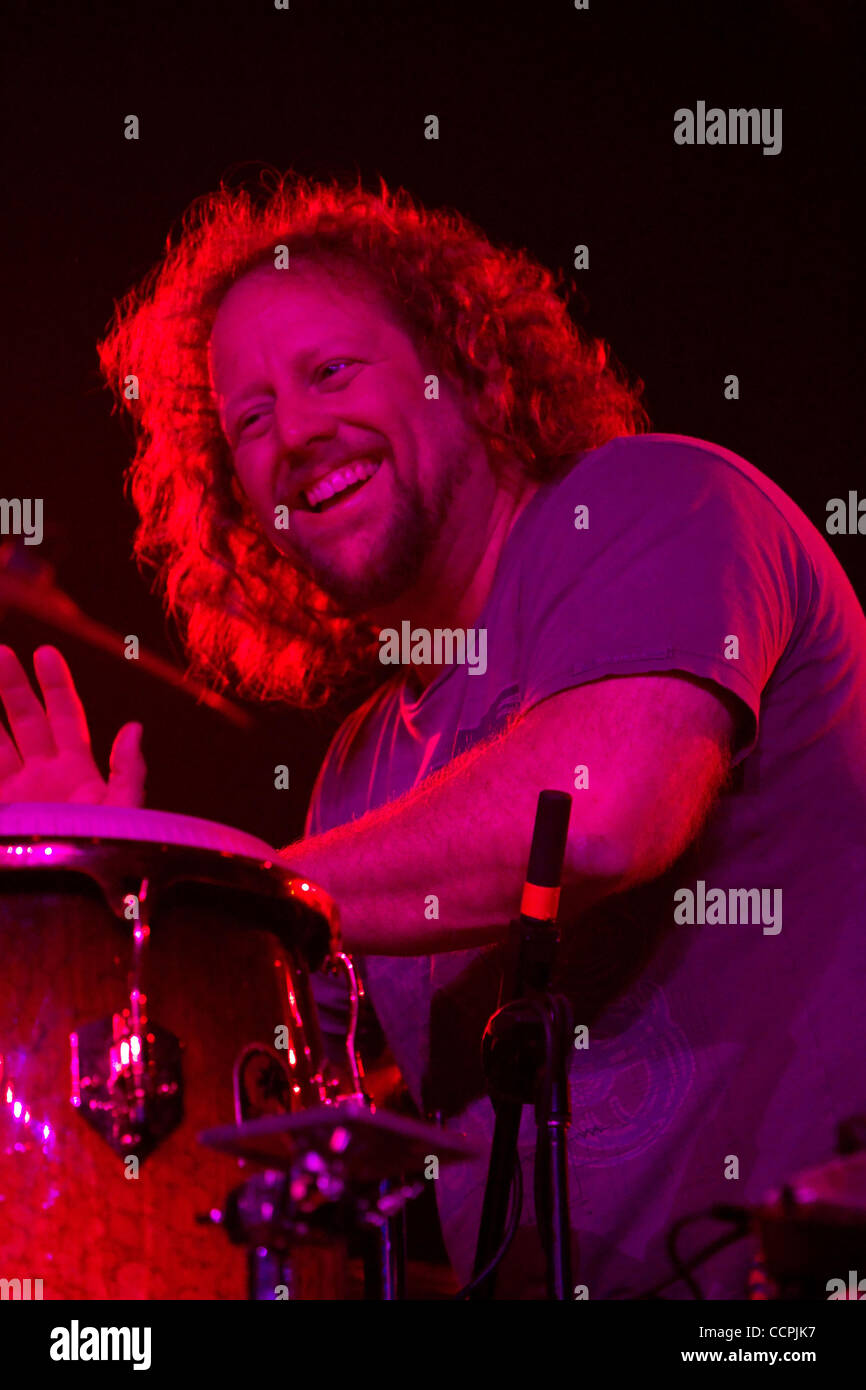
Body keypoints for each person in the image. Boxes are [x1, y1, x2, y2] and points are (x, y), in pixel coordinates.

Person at [1, 173, 864, 1299]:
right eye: (248, 420)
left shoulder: (665, 503)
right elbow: (273, 1113)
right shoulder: (357, 772)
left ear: (473, 368)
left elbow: (596, 812)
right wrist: (96, 932)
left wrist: (217, 894)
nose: (296, 433)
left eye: (330, 371)